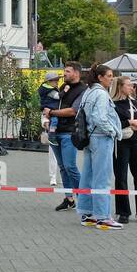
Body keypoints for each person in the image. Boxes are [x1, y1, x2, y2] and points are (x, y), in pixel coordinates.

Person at [77, 64, 125, 230]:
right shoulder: (101, 94)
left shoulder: (88, 92)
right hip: (101, 138)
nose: (112, 79)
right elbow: (100, 118)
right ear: (100, 77)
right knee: (102, 178)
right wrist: (113, 132)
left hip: (89, 138)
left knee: (88, 176)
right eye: (109, 76)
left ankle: (88, 213)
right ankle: (103, 216)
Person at [42, 64, 86, 211]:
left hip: (69, 132)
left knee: (70, 166)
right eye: (64, 71)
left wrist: (52, 113)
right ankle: (69, 198)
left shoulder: (83, 90)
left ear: (76, 73)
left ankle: (84, 199)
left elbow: (73, 111)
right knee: (62, 167)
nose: (64, 74)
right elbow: (50, 106)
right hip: (55, 132)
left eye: (67, 71)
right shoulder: (62, 88)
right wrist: (47, 120)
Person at [111, 76, 137, 224]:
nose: (131, 87)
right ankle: (123, 212)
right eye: (128, 85)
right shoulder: (113, 104)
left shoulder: (134, 102)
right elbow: (113, 123)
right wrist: (129, 122)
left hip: (136, 142)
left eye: (131, 85)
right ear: (120, 87)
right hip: (121, 143)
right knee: (121, 177)